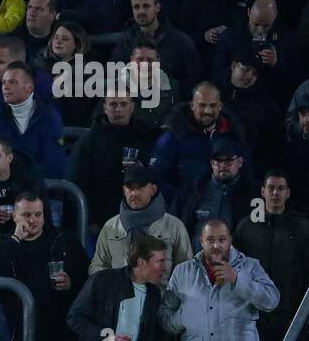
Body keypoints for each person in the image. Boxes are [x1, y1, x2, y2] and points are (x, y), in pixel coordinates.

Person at [0, 190, 86, 341]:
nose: (33, 220)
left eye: (38, 215)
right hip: (15, 330)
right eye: (26, 215)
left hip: (57, 331)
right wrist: (15, 239)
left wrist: (71, 282)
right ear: (14, 216)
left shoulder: (64, 240)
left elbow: (85, 276)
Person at [160, 218, 280, 341]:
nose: (216, 245)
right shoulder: (182, 272)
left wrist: (236, 280)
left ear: (230, 240)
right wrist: (182, 318)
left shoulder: (250, 266)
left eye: (222, 240)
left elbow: (272, 300)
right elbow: (164, 315)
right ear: (202, 241)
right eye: (210, 240)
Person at [233, 170, 309, 341]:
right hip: (253, 315)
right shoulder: (247, 227)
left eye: (281, 189)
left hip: (291, 316)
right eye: (271, 188)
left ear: (288, 193)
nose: (275, 193)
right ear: (262, 191)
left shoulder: (303, 228)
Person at [68, 234, 176, 341]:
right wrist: (105, 338)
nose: (164, 268)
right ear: (141, 262)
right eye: (160, 262)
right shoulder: (102, 281)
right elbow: (75, 317)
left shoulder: (154, 294)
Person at [67, 91, 162, 226]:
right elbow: (76, 182)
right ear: (105, 107)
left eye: (123, 104)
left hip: (141, 213)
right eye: (113, 104)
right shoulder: (89, 141)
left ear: (132, 107)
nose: (118, 109)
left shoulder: (146, 136)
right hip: (100, 217)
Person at [89, 165, 193, 276]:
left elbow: (187, 270)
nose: (134, 194)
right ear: (124, 190)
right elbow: (97, 266)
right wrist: (112, 281)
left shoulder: (174, 226)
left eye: (140, 188)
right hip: (119, 286)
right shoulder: (110, 227)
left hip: (162, 286)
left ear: (153, 190)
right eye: (130, 188)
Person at [176, 135, 260, 249]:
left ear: (240, 162)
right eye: (218, 161)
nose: (223, 165)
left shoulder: (253, 193)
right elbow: (176, 226)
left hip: (236, 258)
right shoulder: (193, 190)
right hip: (197, 257)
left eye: (229, 160)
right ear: (211, 163)